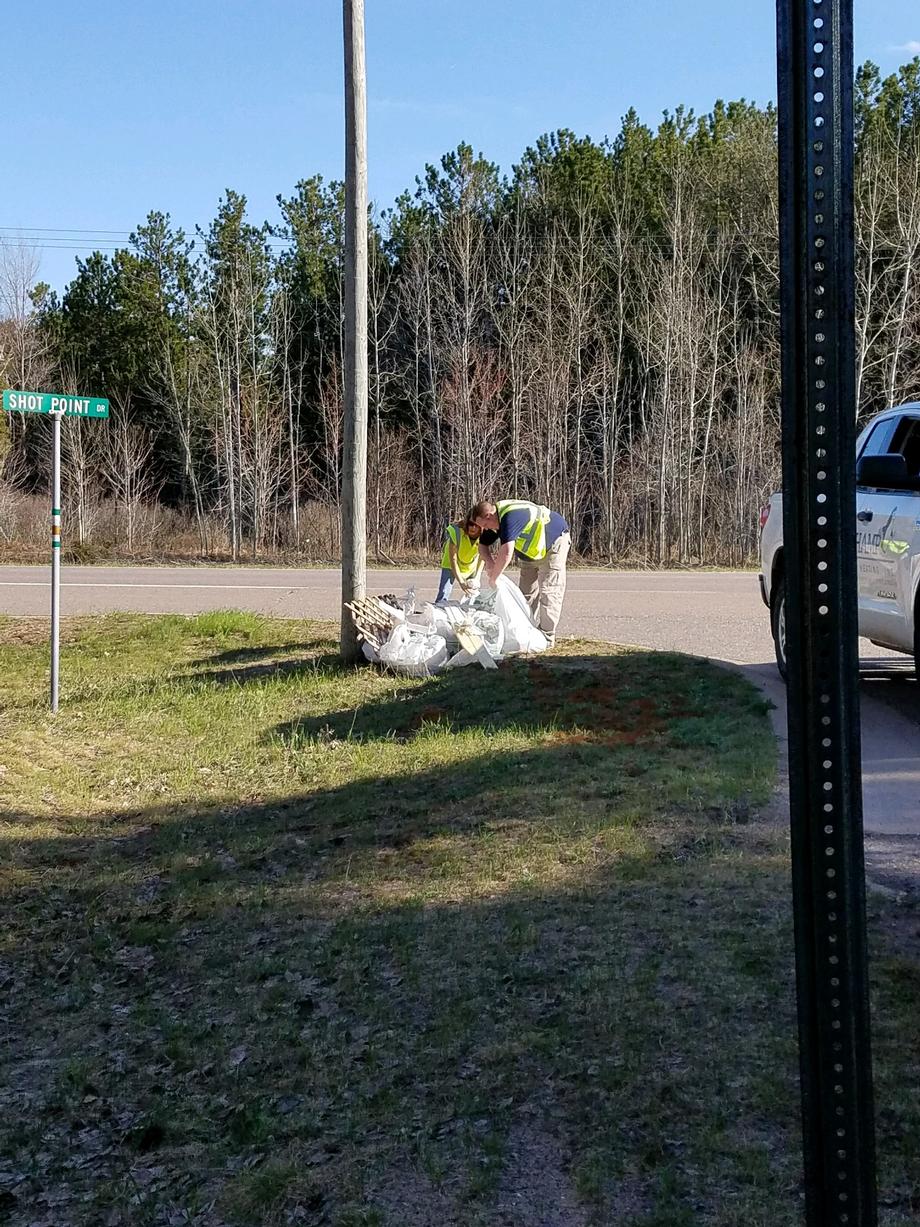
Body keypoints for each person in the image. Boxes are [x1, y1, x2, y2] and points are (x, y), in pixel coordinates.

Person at [468, 499, 570, 646]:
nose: (485, 529)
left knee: (549, 592)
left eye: (484, 525)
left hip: (553, 543)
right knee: (524, 595)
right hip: (531, 553)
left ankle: (547, 637)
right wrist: (490, 564)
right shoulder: (496, 521)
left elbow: (507, 552)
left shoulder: (511, 517)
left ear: (489, 516)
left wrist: (494, 578)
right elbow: (482, 546)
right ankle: (525, 631)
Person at [435, 517, 483, 602]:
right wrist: (461, 582)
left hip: (470, 565)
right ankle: (439, 608)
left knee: (473, 594)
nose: (473, 528)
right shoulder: (456, 532)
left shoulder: (485, 536)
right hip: (451, 563)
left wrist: (477, 577)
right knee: (444, 592)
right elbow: (453, 560)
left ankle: (471, 611)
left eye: (476, 525)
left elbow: (482, 557)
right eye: (471, 524)